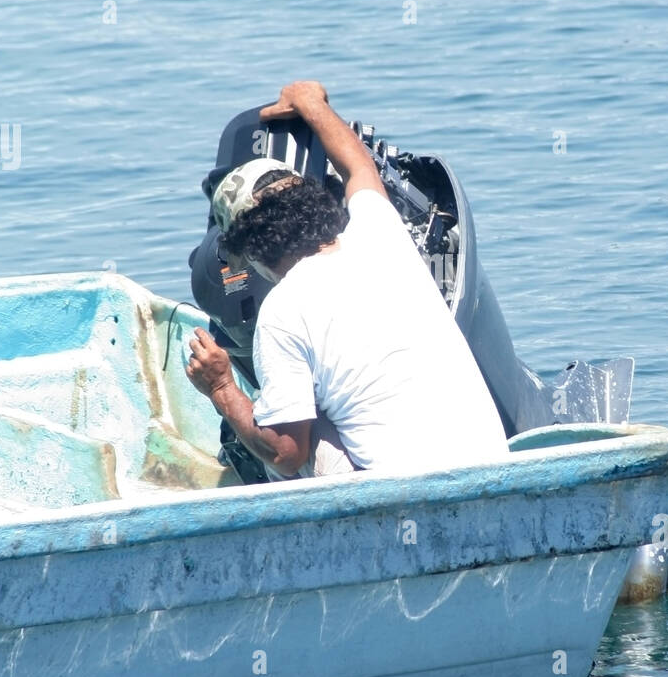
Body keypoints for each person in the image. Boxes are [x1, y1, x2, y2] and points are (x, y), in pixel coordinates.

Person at [185, 80, 509, 478]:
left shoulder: (281, 312)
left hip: (410, 499)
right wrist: (310, 103)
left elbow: (286, 451)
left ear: (253, 250)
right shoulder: (380, 232)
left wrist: (221, 388)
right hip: (493, 466)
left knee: (287, 427)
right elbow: (358, 165)